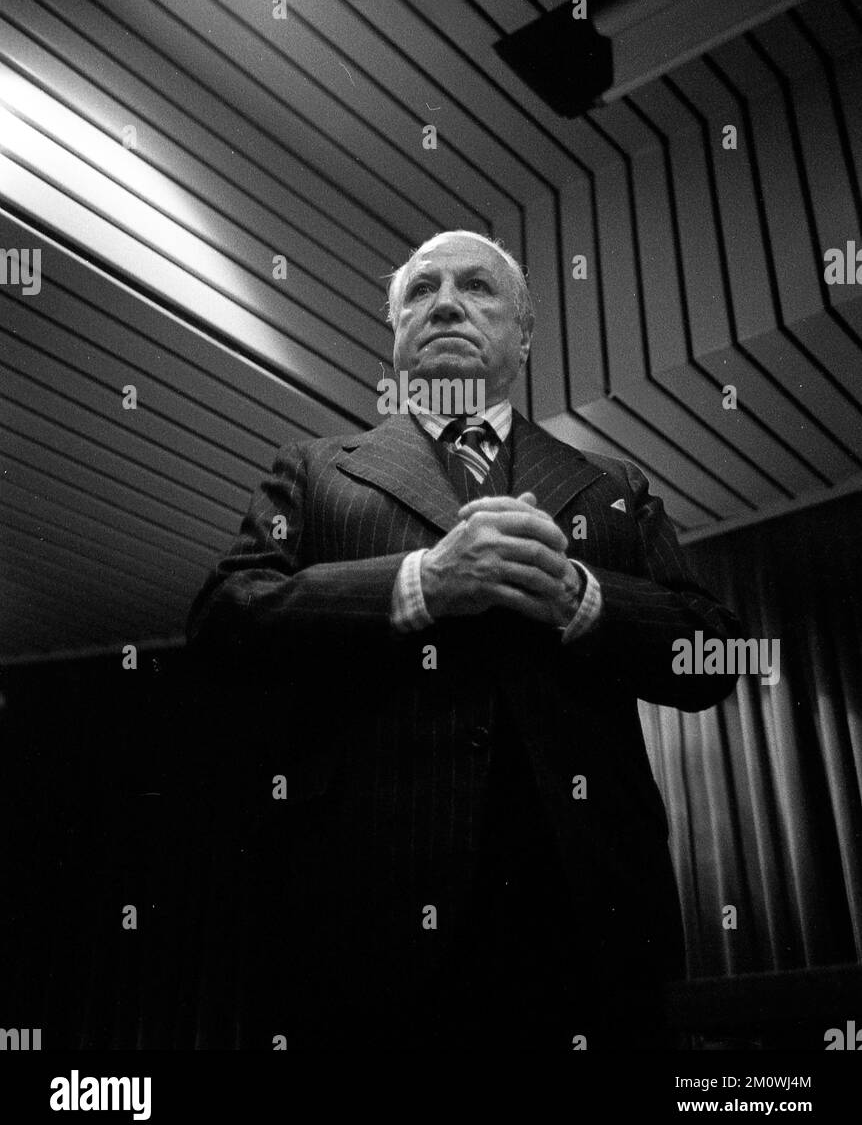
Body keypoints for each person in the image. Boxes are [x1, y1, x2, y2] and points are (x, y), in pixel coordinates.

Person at [186, 229, 740, 1051]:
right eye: (421, 292)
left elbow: (715, 654)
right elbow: (227, 622)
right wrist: (422, 583)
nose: (444, 301)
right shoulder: (313, 470)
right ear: (398, 337)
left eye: (476, 287)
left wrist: (576, 597)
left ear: (522, 338)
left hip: (588, 919)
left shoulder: (615, 486)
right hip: (362, 918)